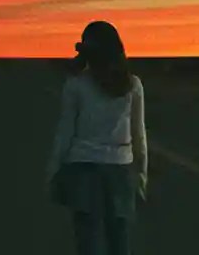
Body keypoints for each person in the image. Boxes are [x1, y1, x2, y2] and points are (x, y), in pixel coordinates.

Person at [45, 21, 148, 255]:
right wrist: (141, 175)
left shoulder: (76, 85)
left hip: (83, 169)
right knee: (119, 242)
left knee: (87, 243)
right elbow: (138, 135)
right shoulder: (132, 85)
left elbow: (65, 134)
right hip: (120, 171)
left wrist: (53, 170)